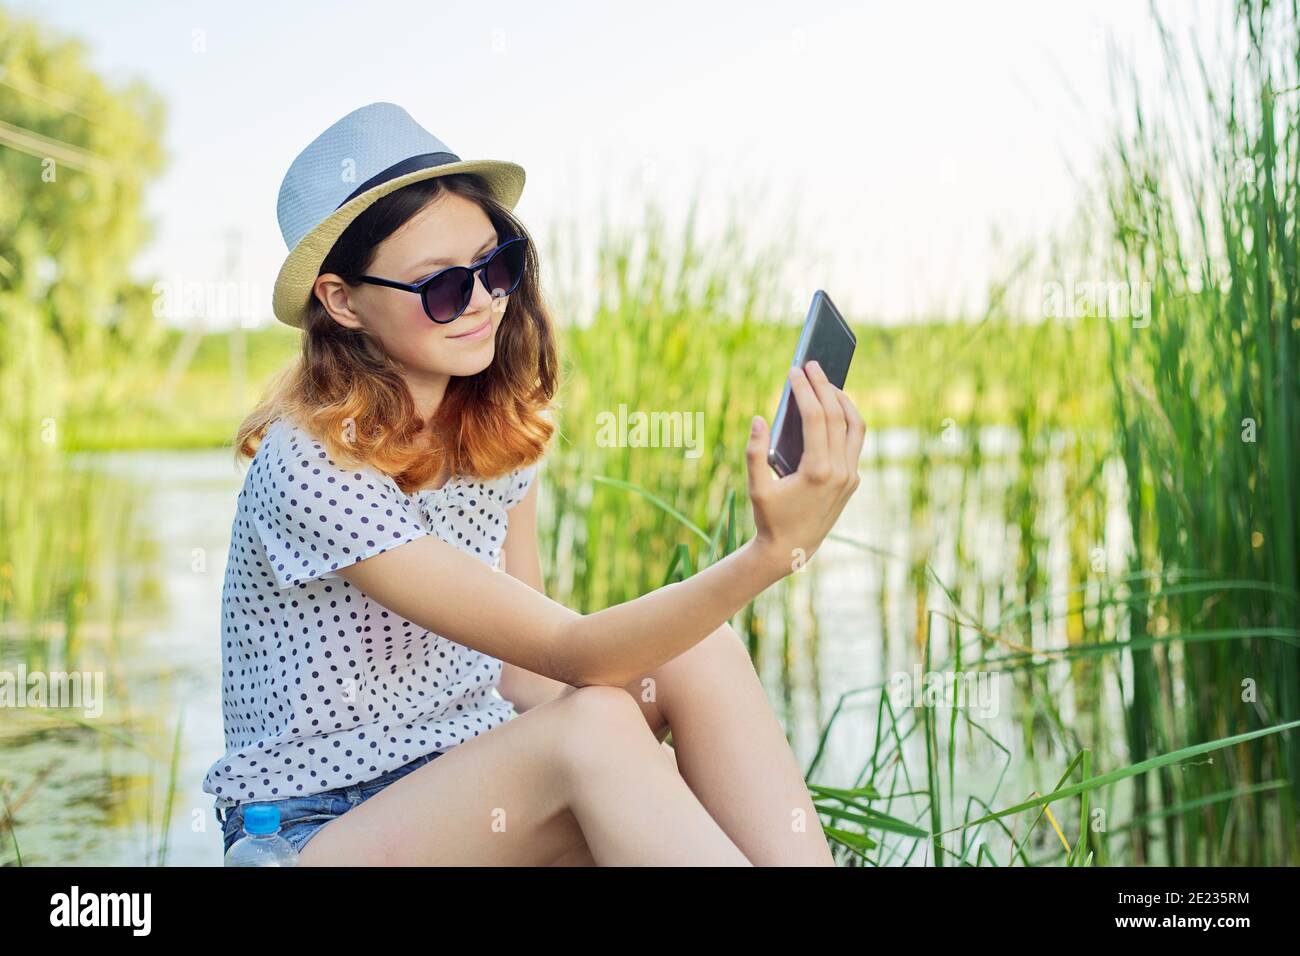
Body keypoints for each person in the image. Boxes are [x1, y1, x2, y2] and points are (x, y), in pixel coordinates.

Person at [201, 103, 864, 866]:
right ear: (342, 301)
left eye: (497, 266)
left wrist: (649, 780)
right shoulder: (311, 463)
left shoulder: (497, 431)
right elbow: (568, 650)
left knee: (698, 655)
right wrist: (768, 555)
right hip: (311, 829)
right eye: (443, 289)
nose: (483, 301)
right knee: (595, 728)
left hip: (472, 782)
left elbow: (524, 678)